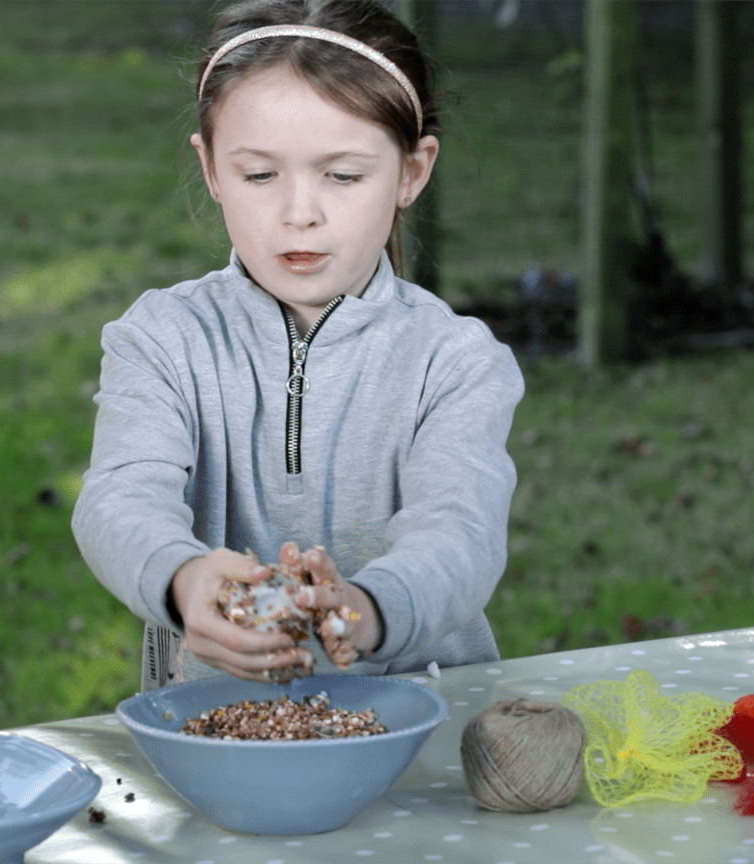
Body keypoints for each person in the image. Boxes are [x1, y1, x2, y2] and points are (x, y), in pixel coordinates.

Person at [73, 0, 523, 690]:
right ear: (213, 168)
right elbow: (119, 499)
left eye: (342, 176)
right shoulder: (159, 338)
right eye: (259, 175)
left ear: (411, 171)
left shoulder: (457, 362)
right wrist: (182, 580)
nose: (299, 212)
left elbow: (459, 531)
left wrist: (366, 611)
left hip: (428, 730)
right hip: (211, 733)